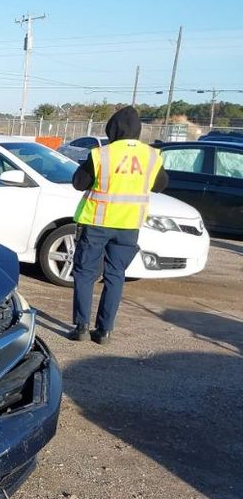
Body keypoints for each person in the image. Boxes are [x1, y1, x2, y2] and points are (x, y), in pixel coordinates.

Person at [69, 106, 167, 344]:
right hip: (129, 225)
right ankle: (105, 331)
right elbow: (161, 185)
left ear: (112, 129)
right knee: (116, 275)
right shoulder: (151, 156)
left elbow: (78, 183)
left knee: (84, 273)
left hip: (97, 222)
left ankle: (81, 327)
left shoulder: (102, 154)